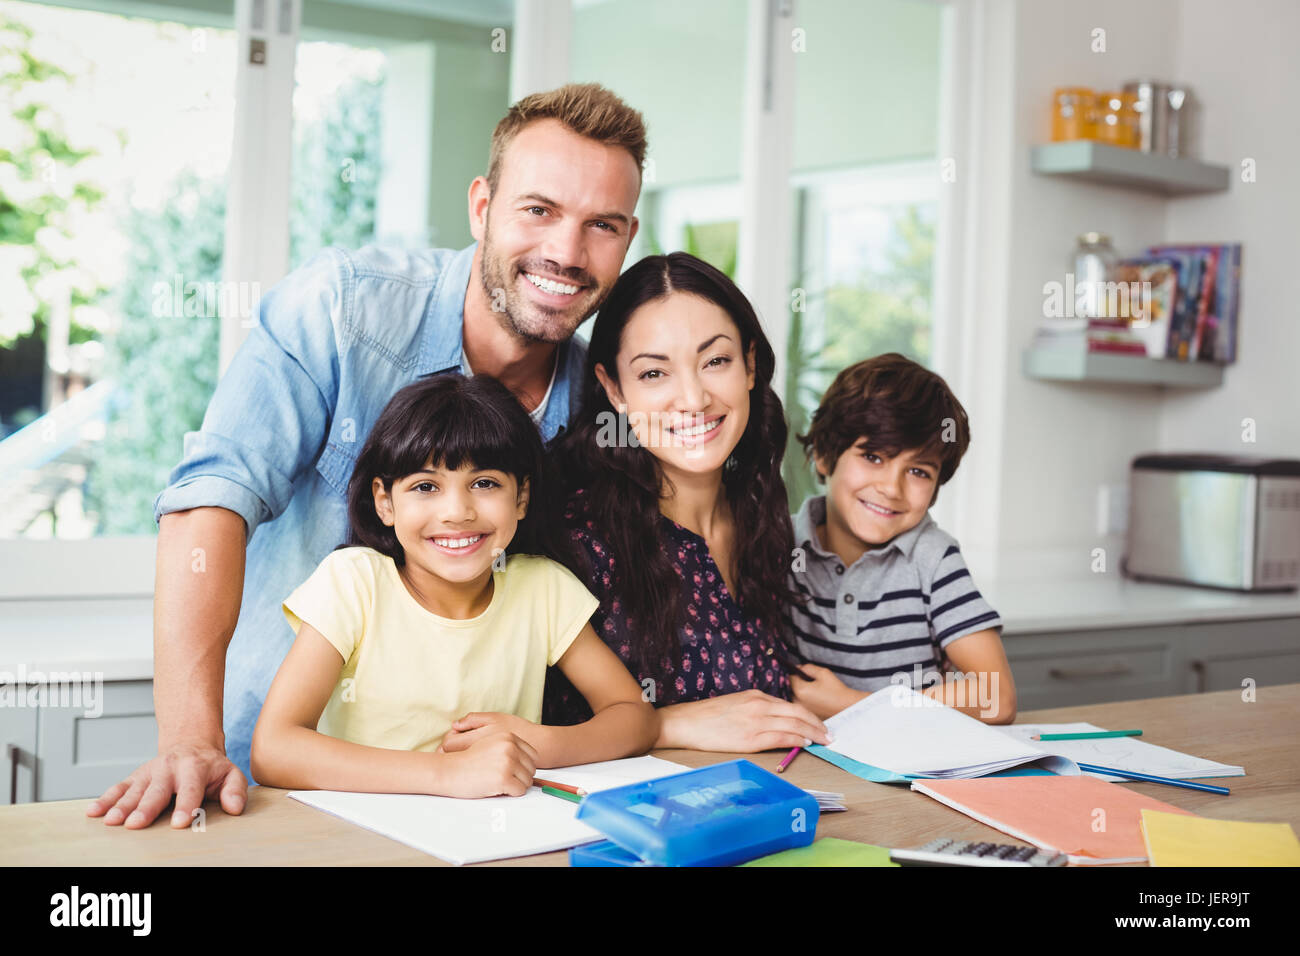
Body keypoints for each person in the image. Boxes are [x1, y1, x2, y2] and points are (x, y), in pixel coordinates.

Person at [88, 83, 647, 828]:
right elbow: (210, 501)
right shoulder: (344, 309)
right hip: (266, 782)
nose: (565, 252)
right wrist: (191, 738)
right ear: (482, 207)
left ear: (628, 238)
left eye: (601, 225)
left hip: (484, 813)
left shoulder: (605, 406)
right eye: (539, 210)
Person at [251, 375, 657, 795]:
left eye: (484, 484)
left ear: (521, 498)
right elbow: (273, 749)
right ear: (385, 502)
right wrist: (446, 775)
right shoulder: (354, 583)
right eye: (426, 487)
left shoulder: (543, 589)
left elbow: (635, 717)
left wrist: (542, 744)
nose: (457, 511)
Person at [542, 252, 831, 753]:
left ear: (750, 365)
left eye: (715, 361)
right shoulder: (577, 540)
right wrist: (669, 725)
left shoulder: (762, 514)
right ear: (614, 389)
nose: (693, 399)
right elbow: (534, 729)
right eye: (655, 374)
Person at [784, 353, 1017, 724]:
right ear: (825, 457)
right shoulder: (780, 544)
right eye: (873, 456)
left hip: (904, 767)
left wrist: (852, 706)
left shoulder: (932, 558)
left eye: (917, 471)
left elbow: (996, 696)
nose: (891, 488)